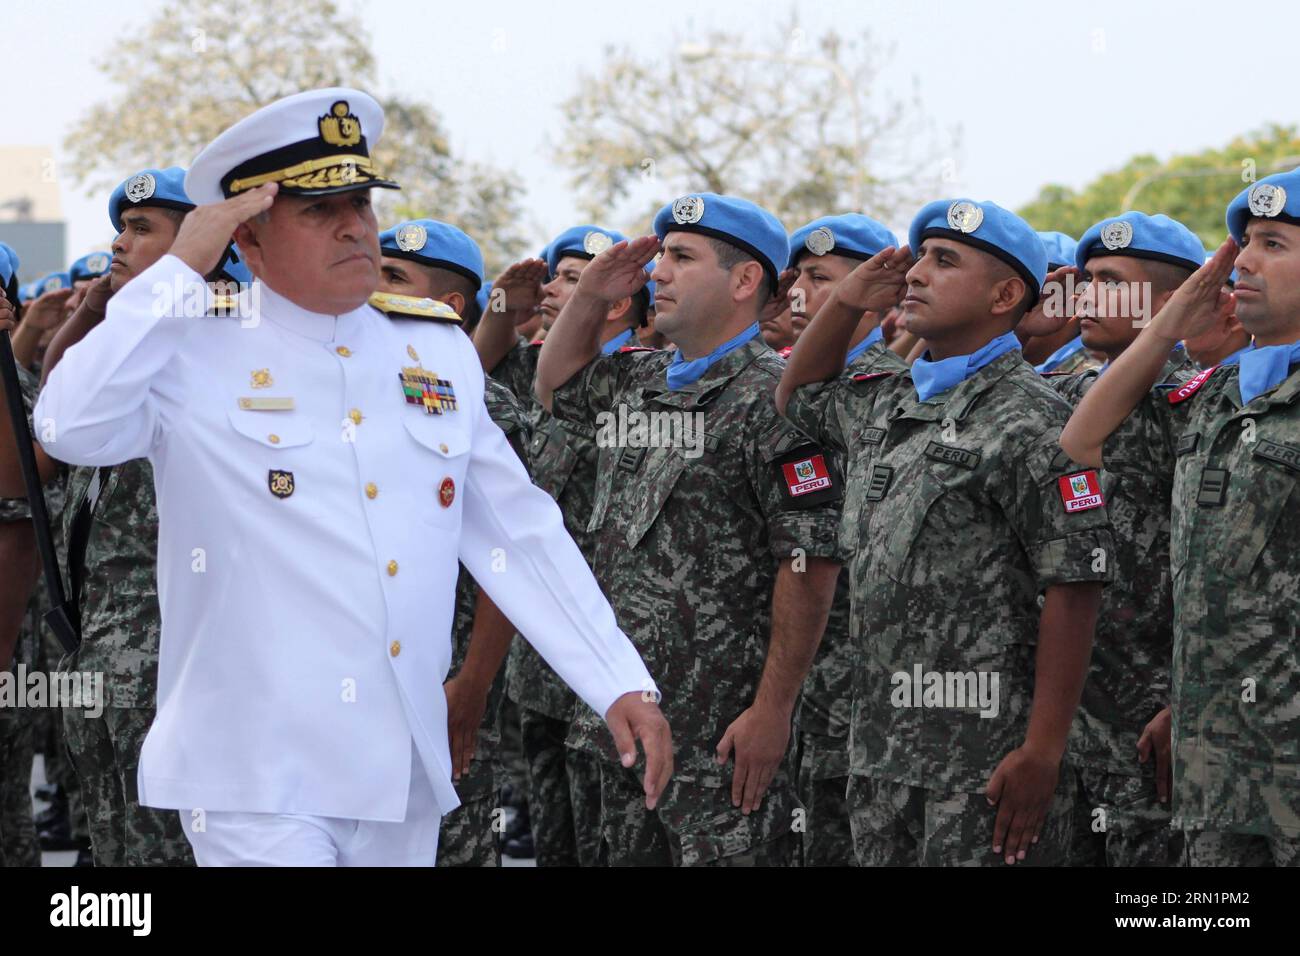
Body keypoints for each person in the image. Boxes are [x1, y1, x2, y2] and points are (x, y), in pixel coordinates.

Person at [33, 87, 671, 867]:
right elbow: (67, 425)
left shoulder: (432, 351)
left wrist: (615, 678)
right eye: (318, 208)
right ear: (249, 237)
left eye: (361, 203)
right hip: (253, 772)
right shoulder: (191, 339)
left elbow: (515, 529)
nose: (354, 225)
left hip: (396, 768)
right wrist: (178, 270)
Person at [778, 198, 1113, 866]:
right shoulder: (886, 394)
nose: (918, 275)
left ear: (1006, 294)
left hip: (985, 758)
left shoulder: (1038, 419)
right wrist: (846, 301)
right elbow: (798, 393)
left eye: (945, 261)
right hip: (879, 747)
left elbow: (1074, 588)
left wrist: (1043, 751)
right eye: (921, 257)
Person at [536, 193, 844, 866]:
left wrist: (774, 709)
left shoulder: (777, 398)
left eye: (682, 257)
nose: (659, 274)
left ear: (743, 281)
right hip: (620, 720)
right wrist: (591, 294)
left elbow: (810, 561)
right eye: (660, 256)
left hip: (720, 736)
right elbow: (555, 387)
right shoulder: (635, 380)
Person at [1061, 167, 1300, 866]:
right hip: (1217, 759)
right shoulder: (1215, 393)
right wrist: (1169, 320)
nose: (1244, 263)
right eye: (1242, 244)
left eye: (1274, 245)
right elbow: (1082, 440)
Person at [474, 225, 651, 866]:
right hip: (538, 654)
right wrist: (501, 307)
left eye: (572, 279)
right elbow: (454, 383)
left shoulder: (642, 384)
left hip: (609, 653)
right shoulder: (529, 371)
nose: (552, 290)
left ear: (620, 300)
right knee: (555, 844)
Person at [1046, 212, 1204, 867]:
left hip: (1149, 710)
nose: (1084, 296)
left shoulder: (1195, 400)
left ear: (1170, 303)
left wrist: (1186, 699)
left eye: (1110, 282)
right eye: (1085, 281)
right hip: (1070, 711)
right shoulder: (1064, 392)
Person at [375, 217, 525, 867]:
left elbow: (506, 562)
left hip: (449, 682)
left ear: (448, 307)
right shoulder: (360, 390)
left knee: (452, 846)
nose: (371, 289)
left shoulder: (485, 406)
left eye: (393, 278)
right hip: (369, 684)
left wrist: (472, 683)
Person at [783, 213, 906, 865]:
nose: (799, 292)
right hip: (811, 693)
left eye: (821, 278)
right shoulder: (827, 392)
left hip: (873, 699)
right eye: (798, 275)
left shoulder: (893, 392)